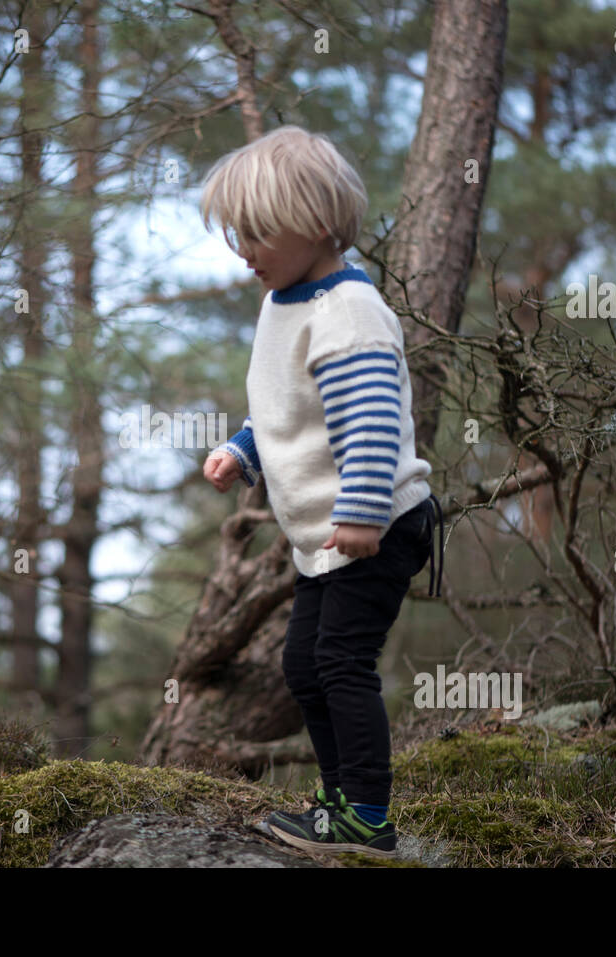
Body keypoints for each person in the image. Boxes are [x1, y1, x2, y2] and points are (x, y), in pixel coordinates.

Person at [199, 126, 443, 858]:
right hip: (328, 537)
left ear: (312, 225)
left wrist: (363, 512)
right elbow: (288, 405)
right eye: (235, 233)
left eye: (255, 232)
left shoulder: (347, 311)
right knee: (304, 664)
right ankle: (338, 804)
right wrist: (243, 449)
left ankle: (368, 815)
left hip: (375, 523)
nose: (243, 248)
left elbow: (370, 419)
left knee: (340, 662)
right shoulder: (285, 302)